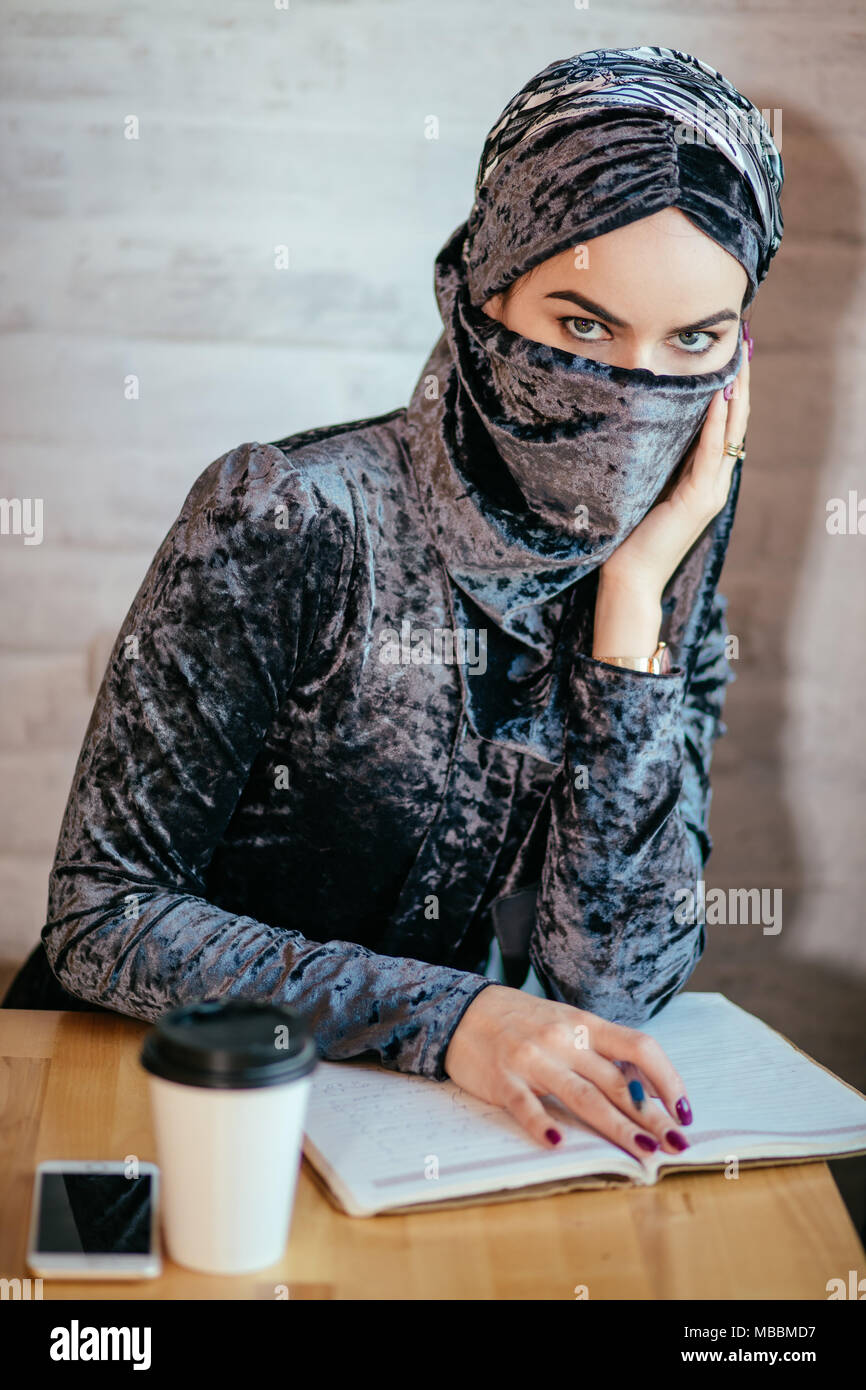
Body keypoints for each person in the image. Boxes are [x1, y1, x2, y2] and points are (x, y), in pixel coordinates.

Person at [4, 47, 784, 1160]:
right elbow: (101, 915)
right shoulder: (291, 512)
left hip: (408, 1133)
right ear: (481, 291)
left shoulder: (670, 549)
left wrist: (630, 606)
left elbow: (610, 977)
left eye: (692, 341)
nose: (634, 389)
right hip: (139, 1101)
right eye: (579, 324)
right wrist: (454, 1014)